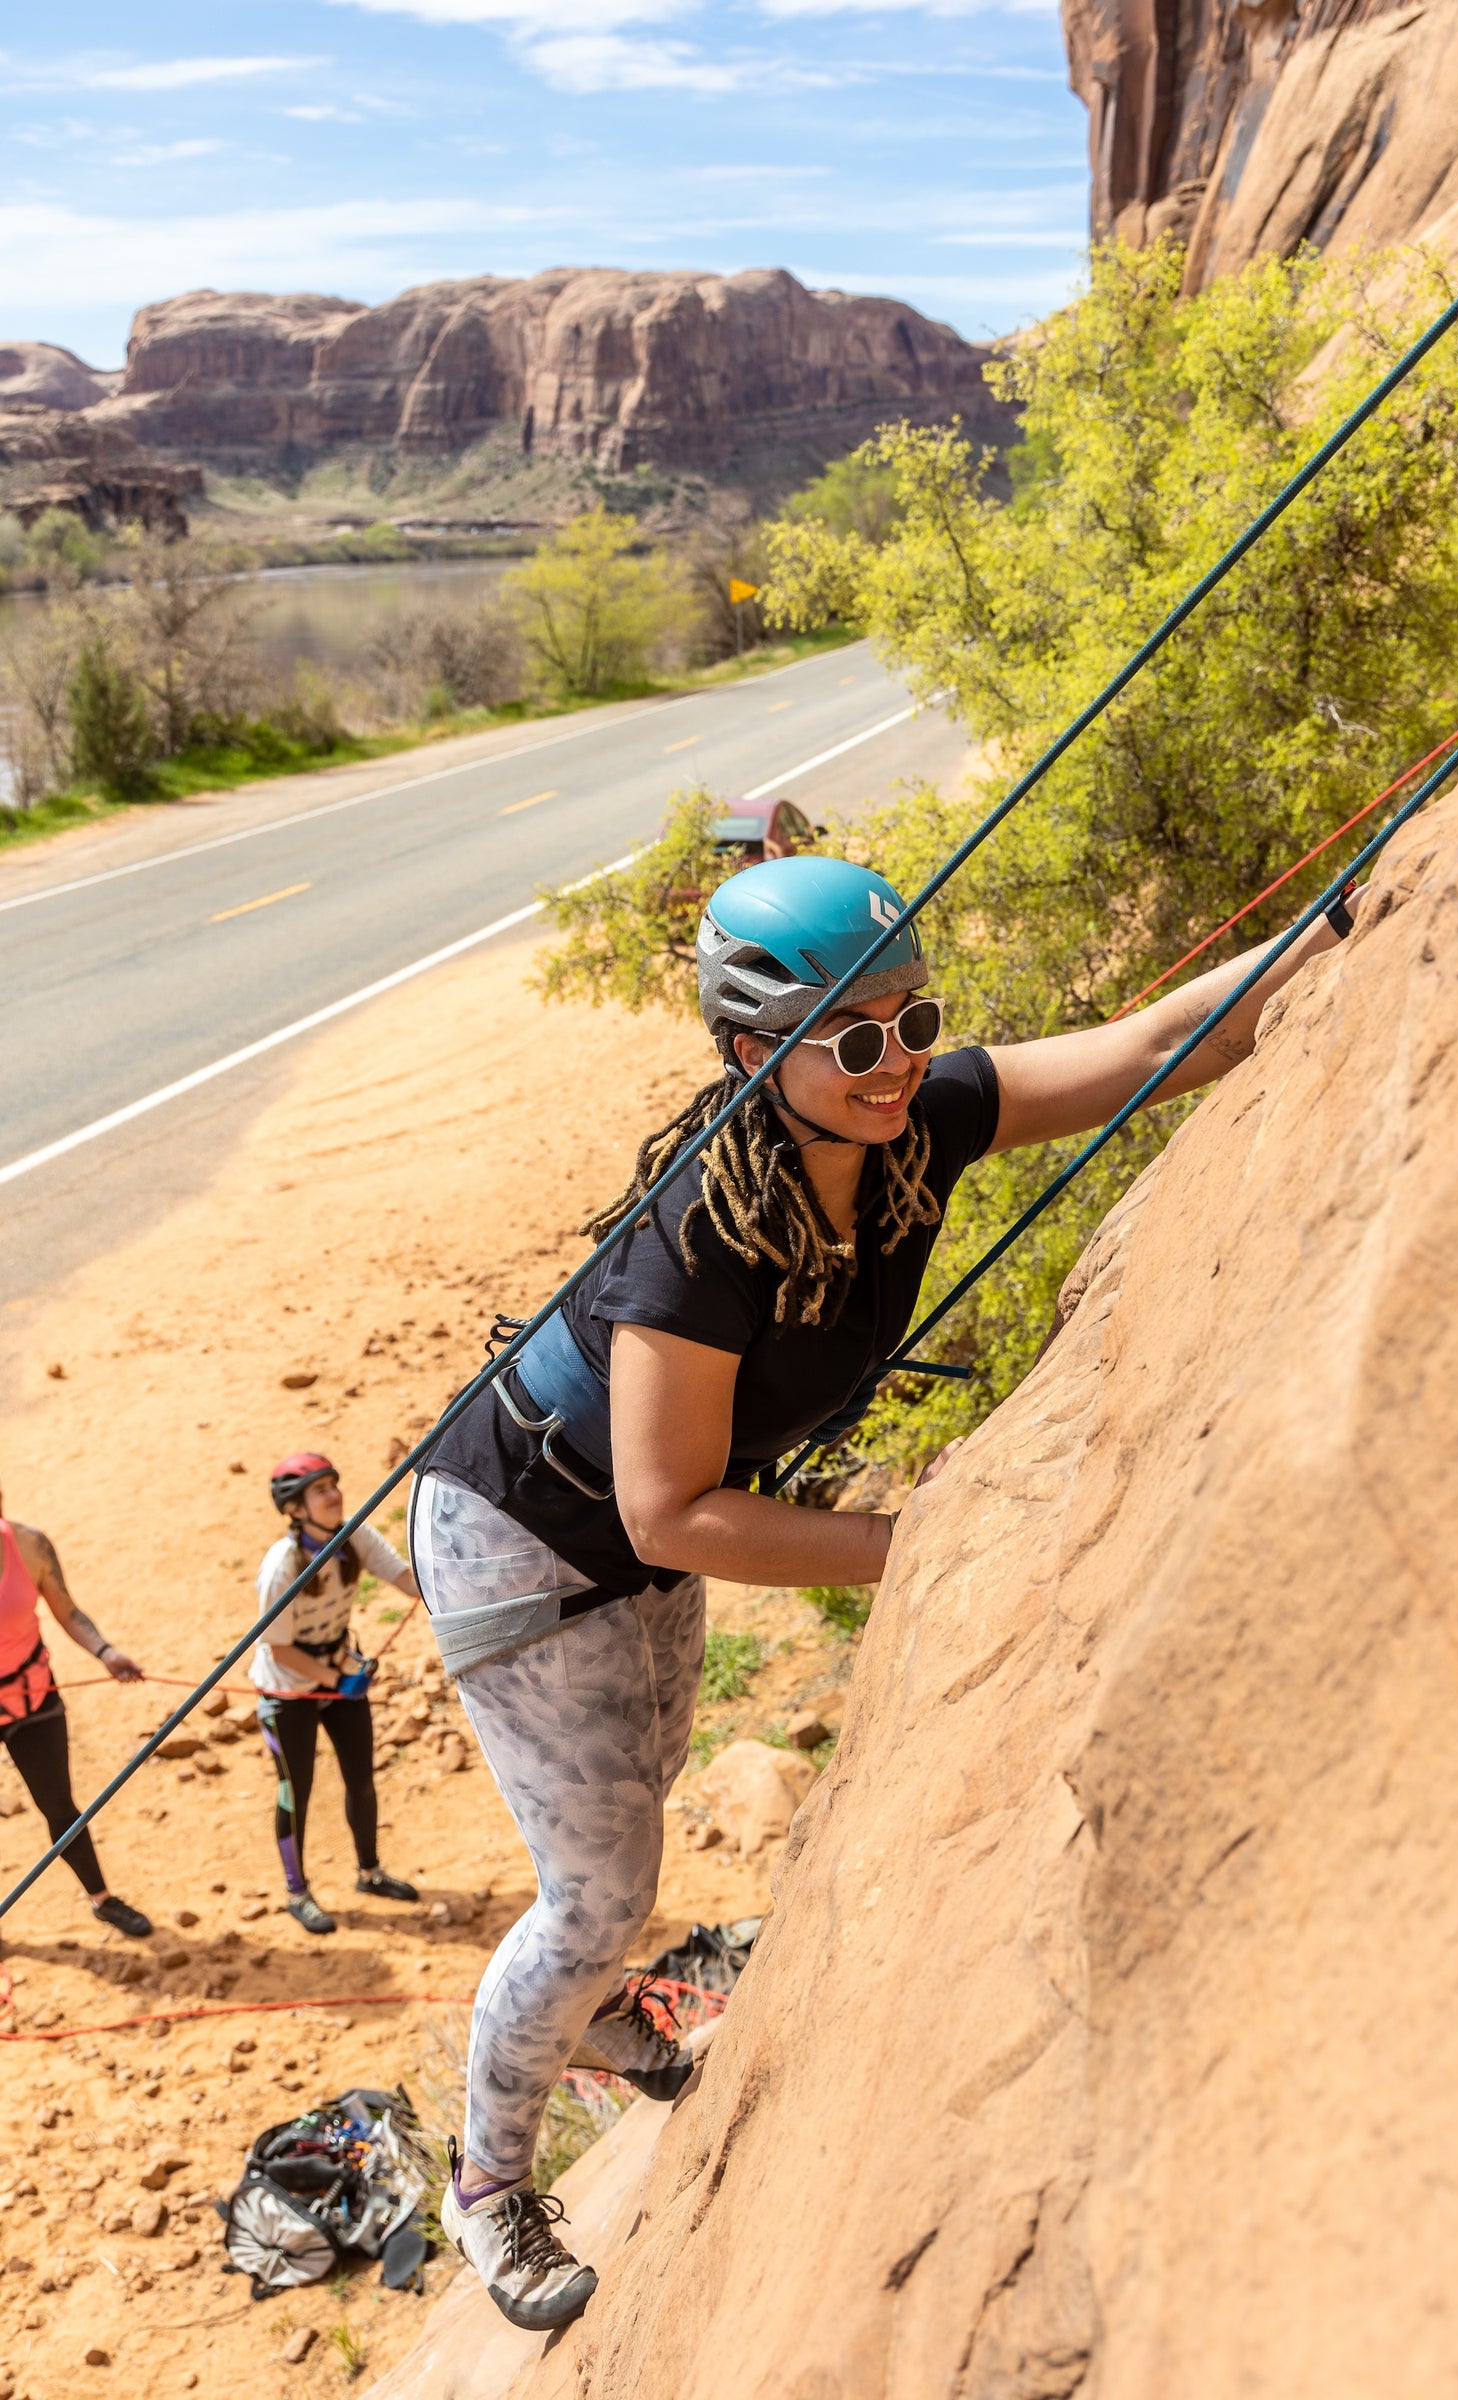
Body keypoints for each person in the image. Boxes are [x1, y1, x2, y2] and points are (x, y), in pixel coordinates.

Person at [411, 855, 1356, 2330]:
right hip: (525, 1534)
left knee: (645, 1786)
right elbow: (672, 1512)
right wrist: (923, 1533)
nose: (894, 1063)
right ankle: (486, 2187)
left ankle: (589, 2010)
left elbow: (1145, 1049)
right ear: (752, 1052)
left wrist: (1335, 924)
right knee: (599, 1886)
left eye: (913, 1022)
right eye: (850, 1039)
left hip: (635, 1521)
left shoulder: (917, 1127)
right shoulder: (699, 1234)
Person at [252, 1453, 421, 1936]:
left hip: (339, 1674)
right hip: (288, 1690)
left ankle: (369, 1873)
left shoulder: (354, 1536)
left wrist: (447, 1579)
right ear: (296, 1508)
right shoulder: (282, 1565)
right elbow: (278, 1648)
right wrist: (336, 1679)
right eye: (319, 1490)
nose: (334, 1495)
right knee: (296, 1792)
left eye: (333, 1484)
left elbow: (404, 1579)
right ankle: (297, 1893)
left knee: (360, 1779)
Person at [0, 1484, 151, 1939]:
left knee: (60, 1807)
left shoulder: (28, 1544)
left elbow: (66, 1611)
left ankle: (102, 1900)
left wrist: (105, 1651)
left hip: (34, 1698)